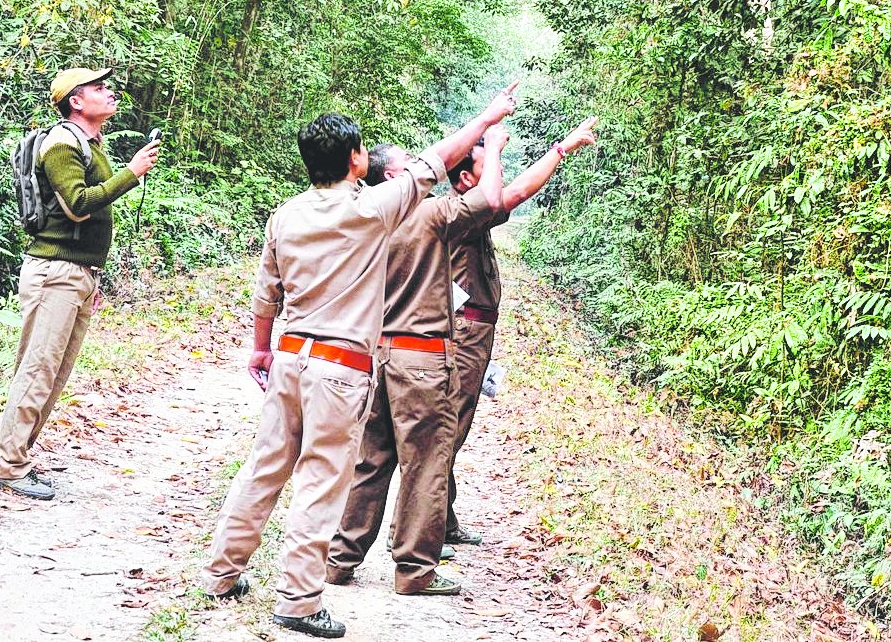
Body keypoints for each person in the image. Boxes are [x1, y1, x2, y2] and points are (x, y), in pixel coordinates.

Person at [199, 85, 517, 641]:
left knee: (265, 468)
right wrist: (489, 120)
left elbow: (266, 294)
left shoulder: (285, 215)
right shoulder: (373, 209)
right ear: (354, 160)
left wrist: (259, 346)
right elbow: (439, 160)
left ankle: (222, 572)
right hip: (339, 367)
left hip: (289, 359)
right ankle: (298, 602)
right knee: (322, 481)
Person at [325, 124, 508, 598]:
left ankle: (339, 560)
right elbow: (492, 198)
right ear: (394, 174)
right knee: (427, 461)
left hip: (375, 353)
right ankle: (414, 569)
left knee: (370, 459)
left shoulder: (362, 217)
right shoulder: (428, 216)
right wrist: (495, 142)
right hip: (422, 357)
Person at [0, 67, 160, 501]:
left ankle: (18, 458)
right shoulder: (62, 143)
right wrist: (132, 172)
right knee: (38, 369)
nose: (109, 92)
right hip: (55, 274)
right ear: (75, 101)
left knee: (56, 373)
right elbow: (78, 206)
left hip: (76, 274)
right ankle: (7, 465)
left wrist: (91, 275)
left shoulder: (89, 144)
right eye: (98, 88)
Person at [444, 115, 598, 546]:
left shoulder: (470, 214)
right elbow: (519, 191)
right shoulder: (464, 215)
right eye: (484, 168)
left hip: (473, 332)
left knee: (454, 428)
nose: (494, 176)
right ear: (462, 182)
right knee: (447, 431)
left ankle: (441, 519)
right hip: (463, 332)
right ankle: (426, 528)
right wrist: (561, 149)